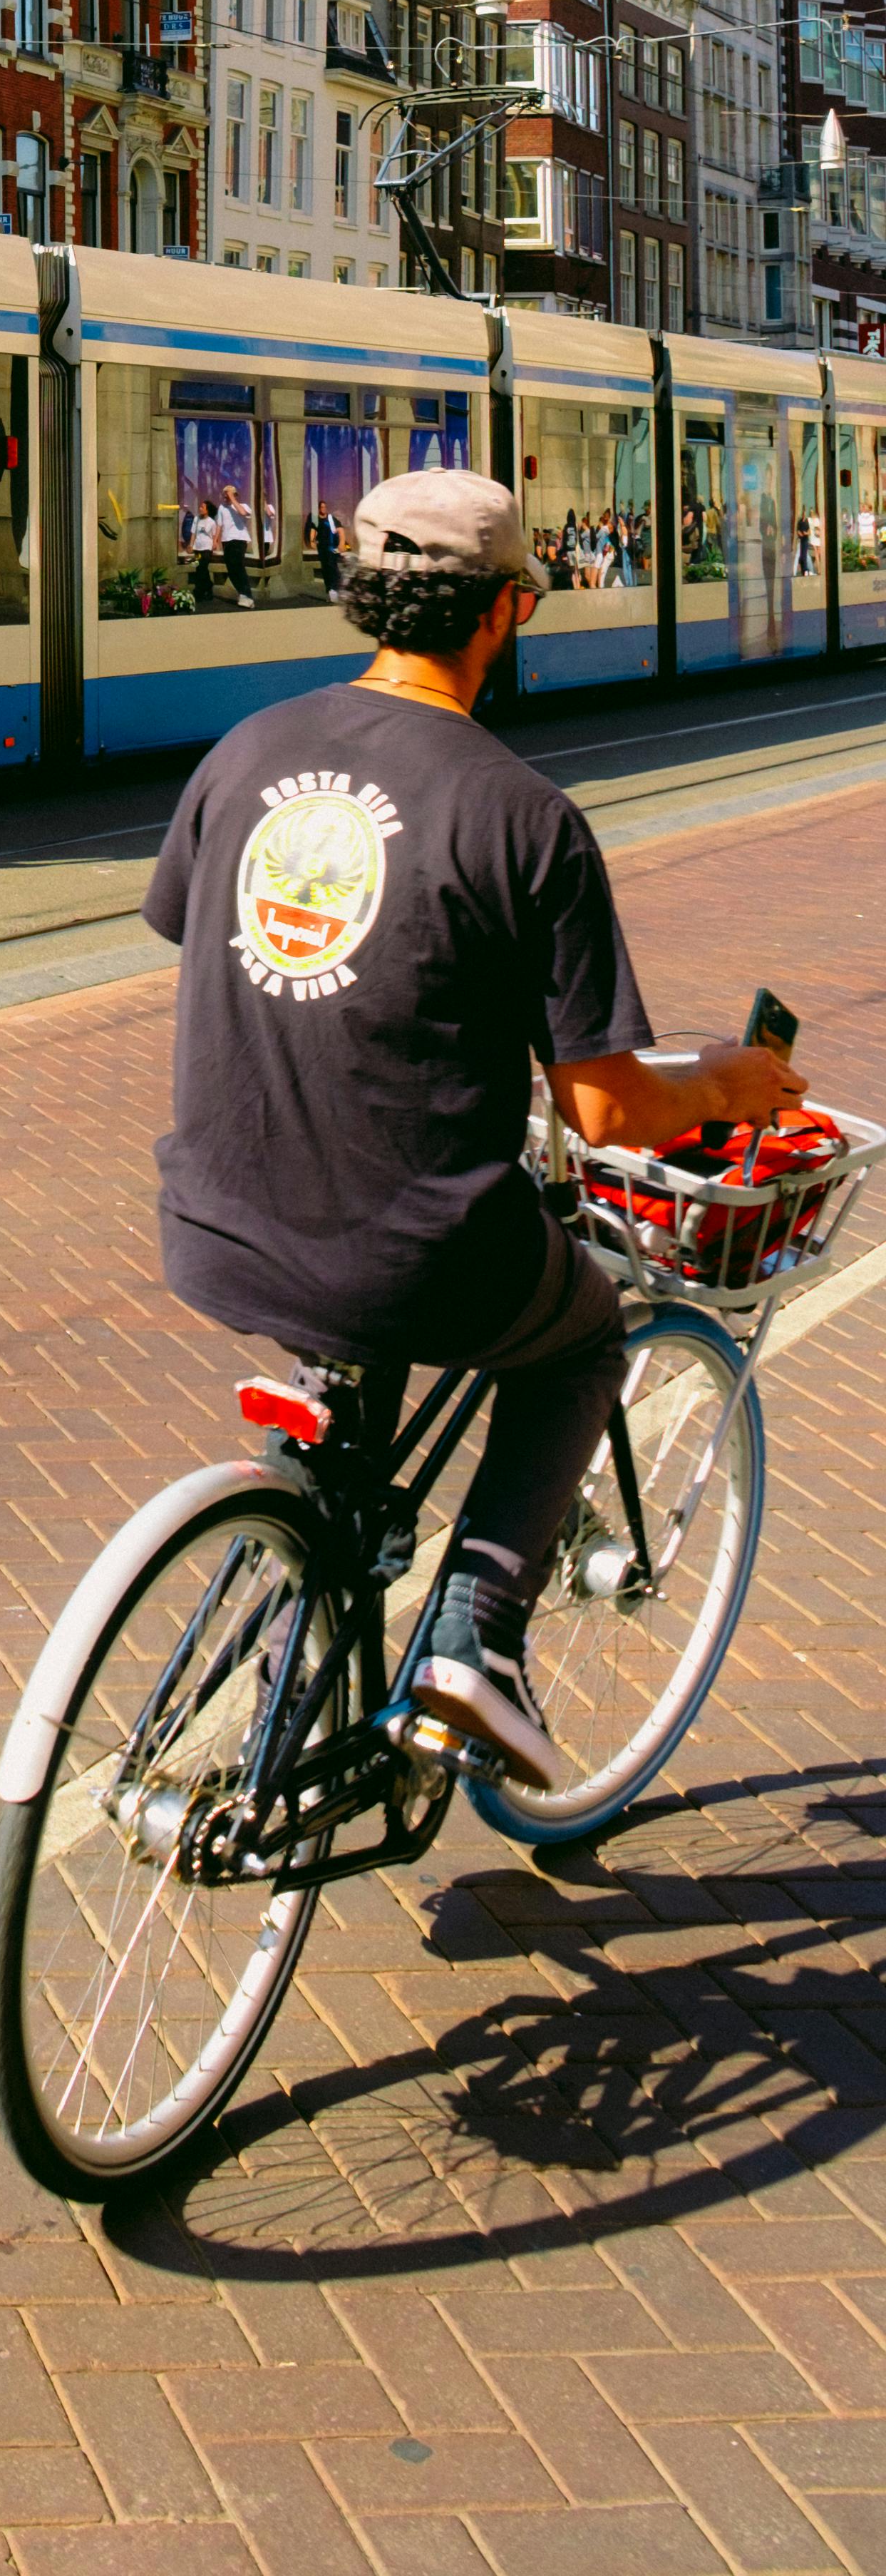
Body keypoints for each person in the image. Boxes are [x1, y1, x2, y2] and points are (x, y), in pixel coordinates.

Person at [142, 466, 808, 1787]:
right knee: (575, 1342)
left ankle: (301, 1645)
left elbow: (210, 936)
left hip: (212, 1226)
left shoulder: (246, 752)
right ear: (507, 611)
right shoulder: (525, 816)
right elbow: (606, 1106)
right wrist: (732, 1083)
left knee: (356, 1402)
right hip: (409, 1250)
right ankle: (473, 1648)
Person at [217, 477, 256, 608]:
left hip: (239, 539)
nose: (226, 496)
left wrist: (233, 499)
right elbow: (219, 524)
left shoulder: (242, 506)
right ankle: (242, 594)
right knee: (231, 568)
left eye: (228, 494)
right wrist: (216, 540)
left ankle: (248, 595)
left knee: (237, 565)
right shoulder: (222, 508)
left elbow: (243, 513)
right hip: (226, 540)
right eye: (225, 494)